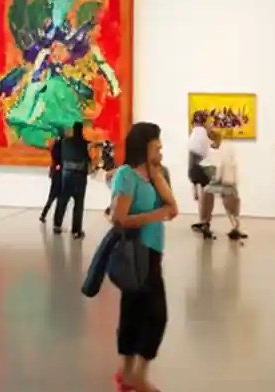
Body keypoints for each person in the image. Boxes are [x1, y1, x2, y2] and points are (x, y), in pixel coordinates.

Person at [111, 122, 177, 392]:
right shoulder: (126, 175)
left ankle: (130, 373)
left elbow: (173, 208)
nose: (161, 146)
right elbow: (120, 218)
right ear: (143, 145)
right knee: (143, 313)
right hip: (134, 252)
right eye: (155, 142)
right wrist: (156, 215)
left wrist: (157, 176)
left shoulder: (160, 174)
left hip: (153, 251)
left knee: (145, 313)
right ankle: (133, 373)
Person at [201, 130, 247, 241]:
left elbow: (223, 166)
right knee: (210, 197)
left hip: (226, 181)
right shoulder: (215, 150)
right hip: (223, 181)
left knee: (230, 204)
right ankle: (207, 224)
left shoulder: (224, 149)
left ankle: (234, 227)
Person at [53, 121, 90, 238]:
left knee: (63, 200)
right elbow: (87, 158)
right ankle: (76, 230)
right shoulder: (83, 143)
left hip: (66, 173)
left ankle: (57, 225)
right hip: (80, 175)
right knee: (78, 203)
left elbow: (57, 154)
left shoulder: (65, 142)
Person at [187, 112, 214, 239]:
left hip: (196, 167)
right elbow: (205, 152)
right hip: (202, 167)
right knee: (206, 194)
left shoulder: (196, 133)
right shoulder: (201, 132)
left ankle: (204, 220)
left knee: (203, 194)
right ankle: (205, 221)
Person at [39, 132, 64, 223]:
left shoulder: (55, 144)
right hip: (59, 173)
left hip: (56, 172)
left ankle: (44, 215)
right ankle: (53, 218)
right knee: (56, 196)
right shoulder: (60, 145)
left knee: (52, 196)